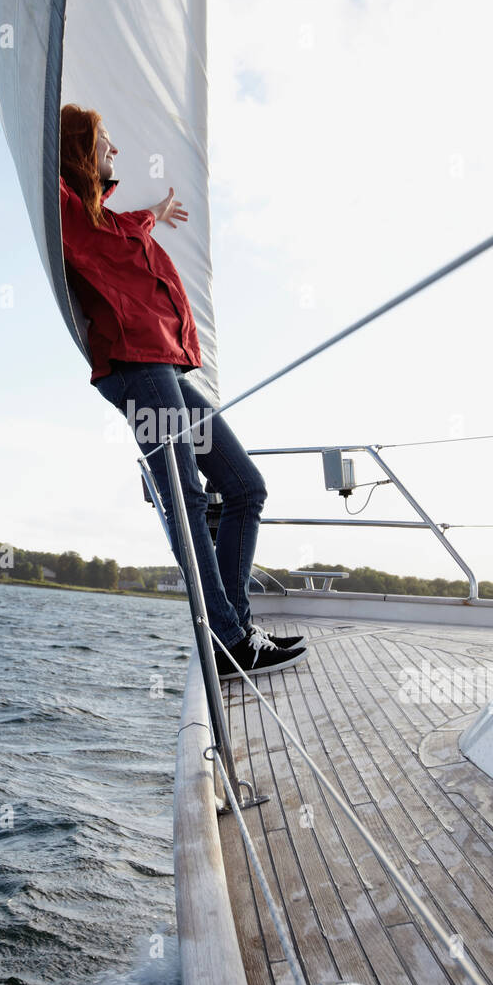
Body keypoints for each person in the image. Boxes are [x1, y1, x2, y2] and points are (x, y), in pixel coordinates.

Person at [59, 103, 307, 680]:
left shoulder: (106, 221)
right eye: (106, 142)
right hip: (134, 368)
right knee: (186, 497)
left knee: (245, 487)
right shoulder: (67, 211)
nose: (115, 153)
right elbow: (74, 212)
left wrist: (154, 211)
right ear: (78, 149)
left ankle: (236, 629)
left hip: (166, 367)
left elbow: (124, 229)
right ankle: (227, 638)